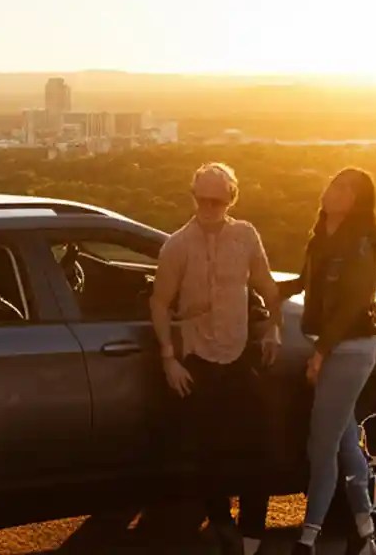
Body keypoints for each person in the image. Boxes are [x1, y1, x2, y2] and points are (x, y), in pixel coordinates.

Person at [149, 162, 284, 555]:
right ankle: (222, 525)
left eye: (217, 200)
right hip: (199, 359)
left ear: (230, 199)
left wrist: (275, 327)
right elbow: (159, 303)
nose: (208, 207)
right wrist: (168, 359)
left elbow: (266, 285)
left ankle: (252, 532)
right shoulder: (176, 245)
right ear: (193, 198)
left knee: (259, 444)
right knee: (209, 452)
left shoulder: (245, 237)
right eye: (201, 199)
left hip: (238, 354)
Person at [290, 168, 376, 555]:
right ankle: (365, 536)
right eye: (334, 183)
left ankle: (308, 539)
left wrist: (320, 354)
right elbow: (303, 285)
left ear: (356, 202)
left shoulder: (360, 244)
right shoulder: (320, 238)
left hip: (348, 352)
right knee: (346, 443)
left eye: (344, 188)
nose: (333, 191)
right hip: (330, 348)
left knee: (321, 445)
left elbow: (352, 305)